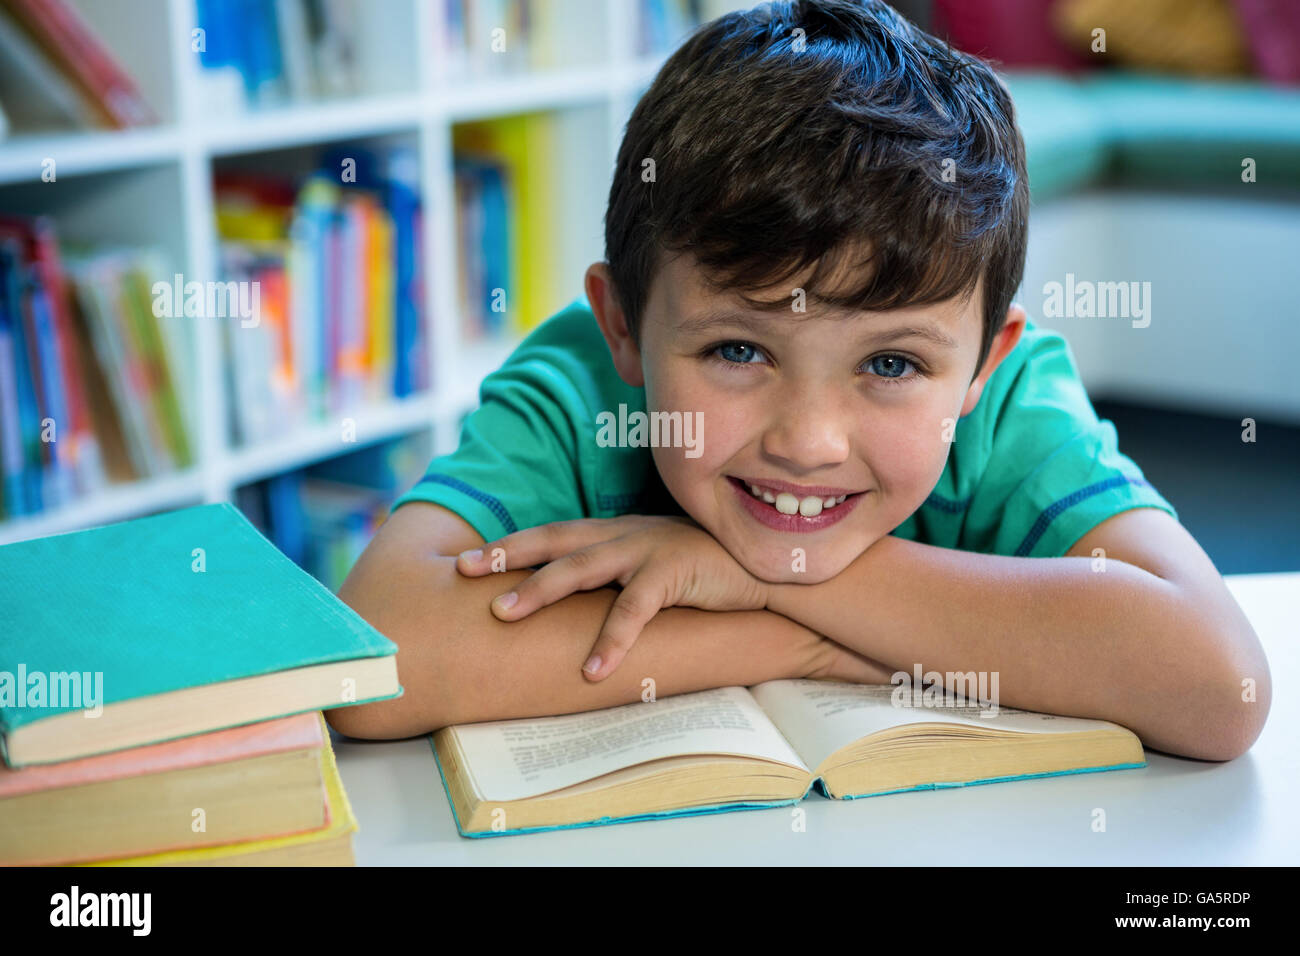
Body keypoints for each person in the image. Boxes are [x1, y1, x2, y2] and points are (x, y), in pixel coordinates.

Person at [326, 0, 1269, 761]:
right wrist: (814, 639)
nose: (808, 442)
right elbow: (376, 664)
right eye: (739, 351)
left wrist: (758, 581)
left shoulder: (1014, 402)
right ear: (622, 325)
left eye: (891, 365)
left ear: (985, 361)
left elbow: (1219, 687)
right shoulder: (581, 385)